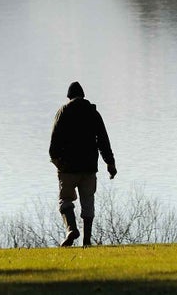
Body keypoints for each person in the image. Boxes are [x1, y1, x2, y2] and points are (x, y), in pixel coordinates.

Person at [49, 81, 116, 247]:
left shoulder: (62, 112)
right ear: (83, 95)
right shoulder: (93, 113)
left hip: (68, 168)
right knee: (88, 204)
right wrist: (110, 163)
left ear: (69, 96)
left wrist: (57, 162)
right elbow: (103, 141)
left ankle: (71, 229)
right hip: (89, 167)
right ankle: (86, 241)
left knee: (65, 200)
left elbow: (53, 143)